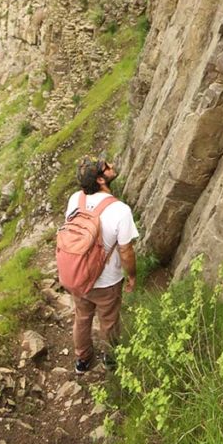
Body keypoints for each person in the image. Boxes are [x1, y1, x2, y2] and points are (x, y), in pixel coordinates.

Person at [65, 157, 139, 373]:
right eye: (106, 167)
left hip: (78, 276)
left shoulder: (75, 199)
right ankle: (111, 359)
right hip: (107, 281)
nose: (112, 166)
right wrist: (132, 276)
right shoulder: (120, 210)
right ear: (100, 179)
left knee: (82, 318)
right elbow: (126, 250)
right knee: (109, 321)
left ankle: (83, 360)